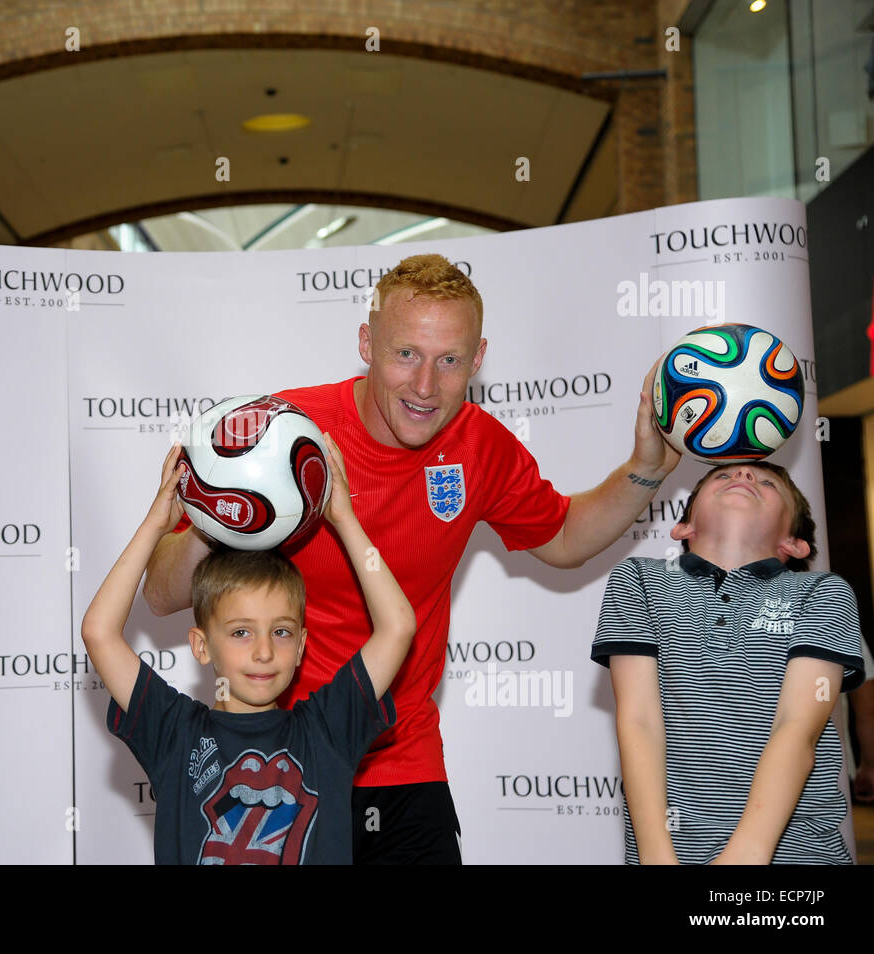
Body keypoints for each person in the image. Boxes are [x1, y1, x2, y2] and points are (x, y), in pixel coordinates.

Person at [143, 253, 682, 864]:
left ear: (478, 360)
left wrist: (646, 470)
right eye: (406, 355)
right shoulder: (287, 433)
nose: (426, 386)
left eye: (449, 360)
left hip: (403, 761)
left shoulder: (481, 445)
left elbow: (562, 538)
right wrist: (231, 510)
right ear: (367, 343)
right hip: (277, 763)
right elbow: (161, 594)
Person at [82, 439, 415, 864]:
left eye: (281, 632)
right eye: (241, 632)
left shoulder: (328, 730)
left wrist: (344, 518)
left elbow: (399, 626)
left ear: (301, 648)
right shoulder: (174, 731)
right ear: (202, 646)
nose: (263, 652)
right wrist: (155, 526)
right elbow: (99, 632)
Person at [592, 461, 865, 864]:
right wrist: (655, 856)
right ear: (683, 528)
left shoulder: (821, 591)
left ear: (794, 543)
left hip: (797, 854)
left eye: (766, 482)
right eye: (723, 476)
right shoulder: (640, 578)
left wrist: (747, 855)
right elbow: (639, 720)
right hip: (669, 852)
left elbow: (798, 727)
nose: (743, 477)